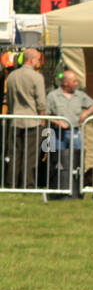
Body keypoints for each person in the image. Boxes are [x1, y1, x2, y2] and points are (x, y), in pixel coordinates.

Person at [45, 69, 93, 198]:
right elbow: (45, 115)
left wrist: (85, 113)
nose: (76, 83)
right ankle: (58, 188)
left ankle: (76, 187)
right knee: (58, 160)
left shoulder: (80, 95)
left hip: (74, 131)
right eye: (74, 81)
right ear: (66, 82)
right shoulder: (52, 96)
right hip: (57, 134)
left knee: (77, 159)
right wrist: (58, 122)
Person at [4, 48, 45, 190]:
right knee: (30, 155)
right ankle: (27, 184)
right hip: (32, 121)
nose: (39, 63)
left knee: (14, 154)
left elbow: (9, 99)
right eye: (38, 60)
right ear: (32, 60)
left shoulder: (12, 76)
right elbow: (41, 102)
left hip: (15, 120)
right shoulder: (37, 77)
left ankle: (11, 183)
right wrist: (43, 118)